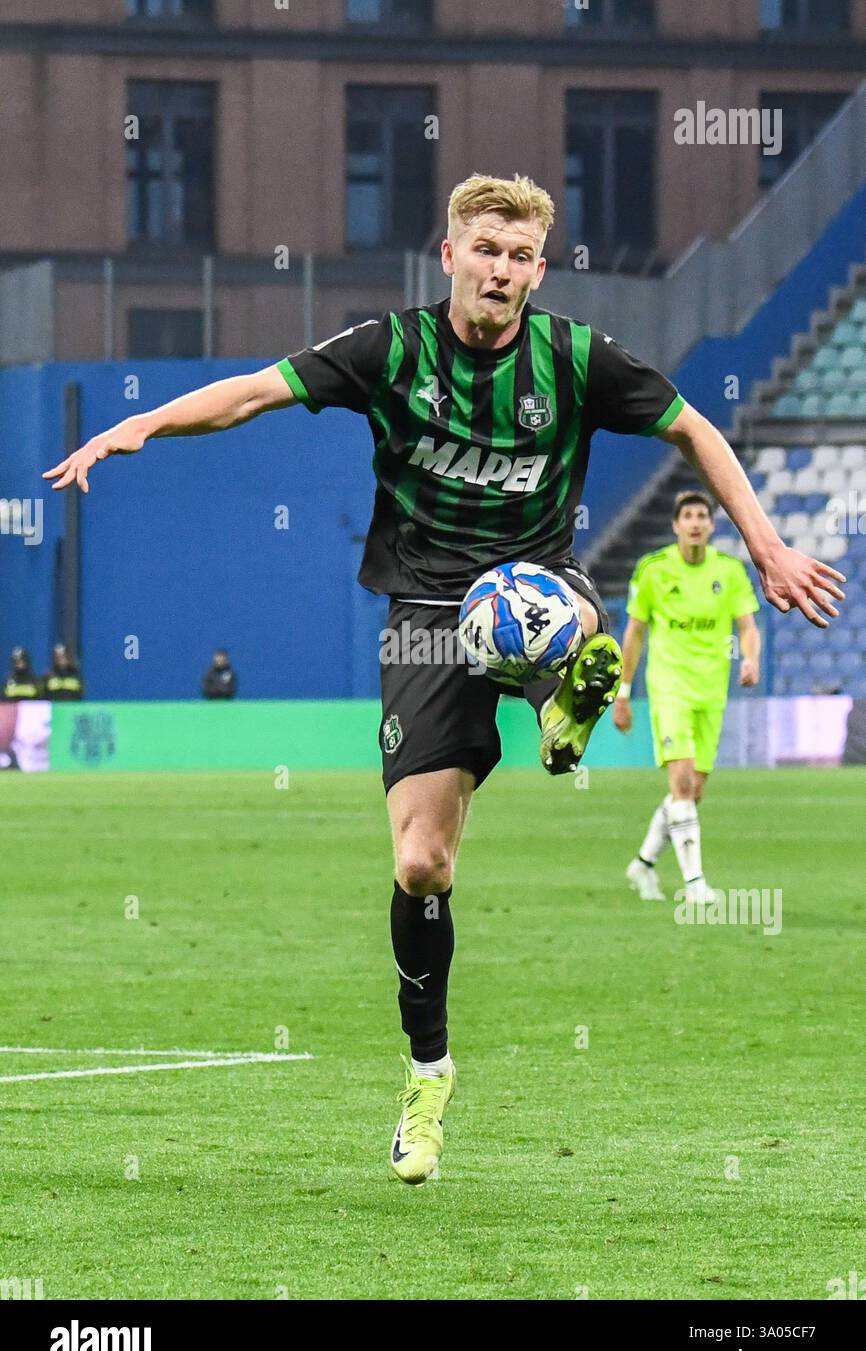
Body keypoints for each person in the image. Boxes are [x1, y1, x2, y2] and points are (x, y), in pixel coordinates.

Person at [44, 172, 845, 1185]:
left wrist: (765, 547)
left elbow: (693, 428)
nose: (501, 271)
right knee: (422, 864)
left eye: (519, 257)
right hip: (425, 614)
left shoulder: (575, 358)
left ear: (537, 270)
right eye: (485, 251)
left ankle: (564, 693)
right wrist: (140, 425)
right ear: (451, 255)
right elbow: (255, 391)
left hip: (537, 584)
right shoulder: (391, 351)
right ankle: (428, 1073)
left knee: (564, 609)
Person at [613, 491, 761, 904]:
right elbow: (635, 633)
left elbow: (747, 626)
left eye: (702, 516)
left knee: (693, 791)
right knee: (679, 781)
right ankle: (695, 884)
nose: (696, 523)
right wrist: (623, 693)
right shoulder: (653, 570)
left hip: (712, 691)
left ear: (711, 526)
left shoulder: (729, 572)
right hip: (670, 687)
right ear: (676, 525)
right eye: (688, 516)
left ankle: (643, 865)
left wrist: (750, 659)